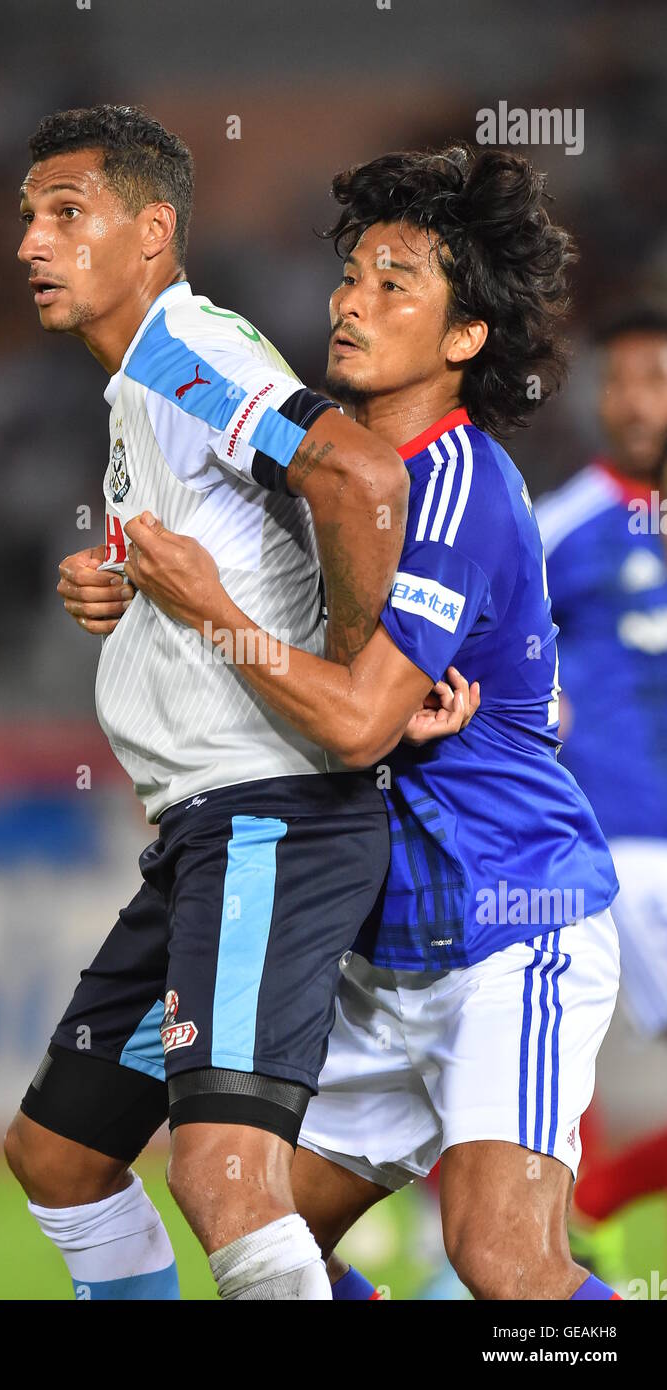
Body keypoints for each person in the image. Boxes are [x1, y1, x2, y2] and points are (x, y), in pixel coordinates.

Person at [119, 146, 623, 1300]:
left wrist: (208, 609)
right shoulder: (323, 477)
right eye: (350, 273)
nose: (350, 300)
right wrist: (111, 578)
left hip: (509, 918)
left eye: (396, 281)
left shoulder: (453, 483)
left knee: (501, 1260)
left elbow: (349, 726)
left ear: (463, 339)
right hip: (380, 951)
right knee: (249, 1216)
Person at [4, 102, 431, 1302]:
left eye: (65, 214)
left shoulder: (182, 348)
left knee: (229, 1183)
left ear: (152, 233)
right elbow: (245, 542)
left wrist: (350, 675)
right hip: (204, 831)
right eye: (27, 217)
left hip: (266, 816)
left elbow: (353, 473)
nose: (31, 242)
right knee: (59, 1156)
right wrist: (122, 594)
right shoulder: (143, 381)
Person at [536, 307, 667, 1232]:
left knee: (548, 1053)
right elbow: (482, 636)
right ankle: (573, 1218)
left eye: (655, 380)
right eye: (617, 381)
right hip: (616, 835)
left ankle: (569, 1219)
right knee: (542, 1045)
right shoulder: (562, 522)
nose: (633, 402)